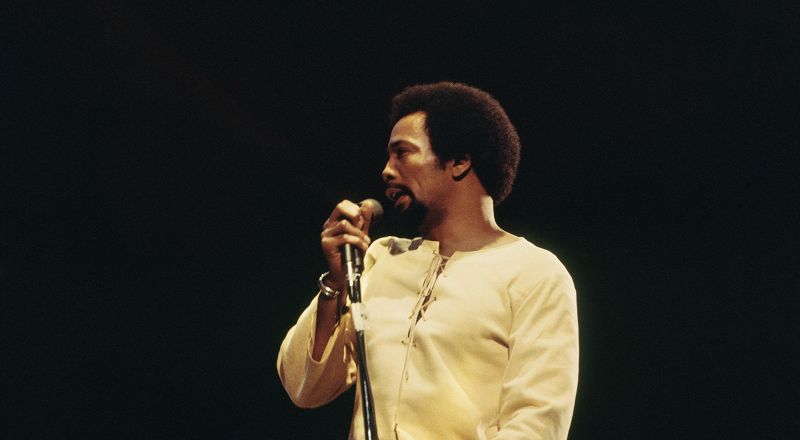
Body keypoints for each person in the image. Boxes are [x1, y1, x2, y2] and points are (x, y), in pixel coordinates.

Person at [277, 82, 579, 439]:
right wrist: (336, 284)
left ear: (459, 161)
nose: (386, 171)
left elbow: (537, 422)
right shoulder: (380, 259)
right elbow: (303, 388)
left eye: (402, 153)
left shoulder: (534, 273)